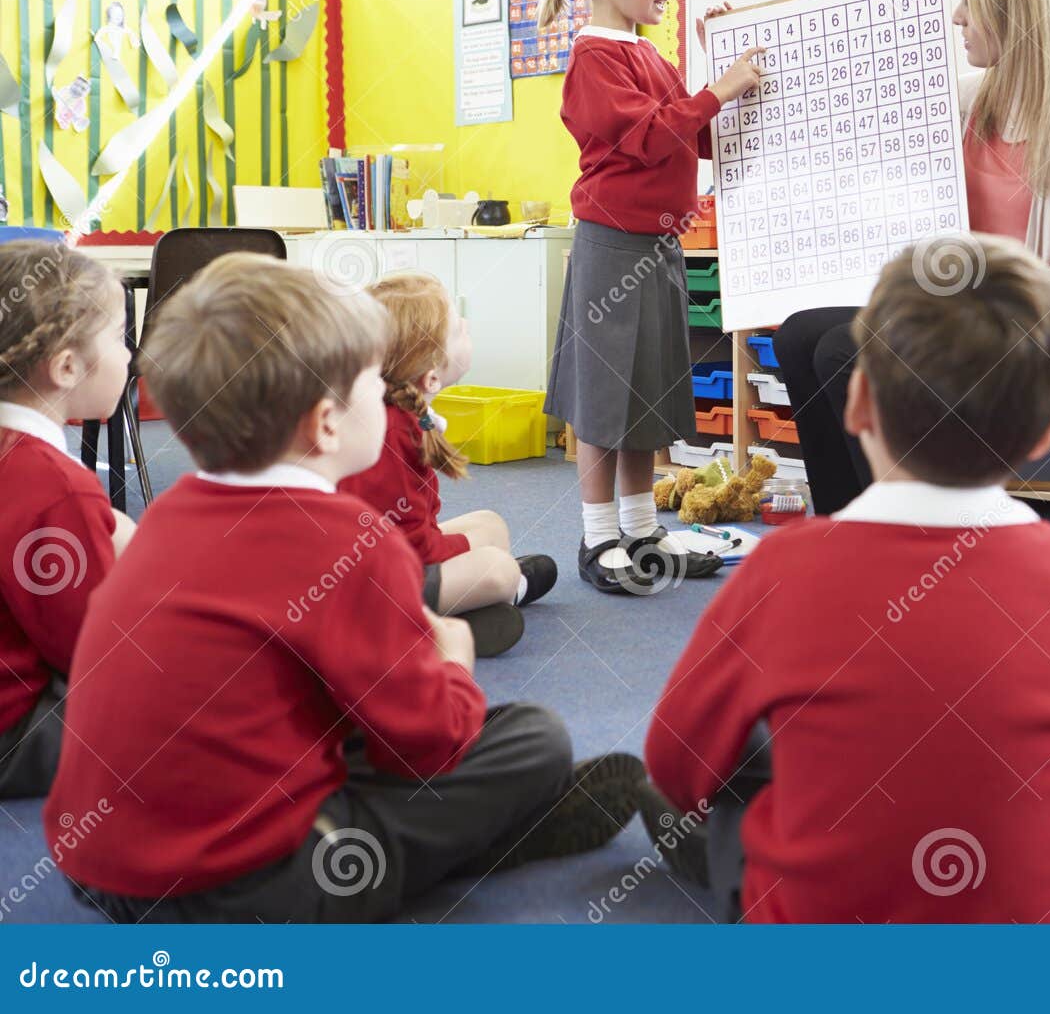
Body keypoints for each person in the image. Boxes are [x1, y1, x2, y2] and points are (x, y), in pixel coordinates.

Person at [46, 255, 643, 922]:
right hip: (241, 891)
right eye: (373, 382)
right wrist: (450, 659)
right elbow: (432, 739)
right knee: (535, 738)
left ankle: (470, 826)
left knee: (346, 732)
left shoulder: (167, 519)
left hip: (95, 865)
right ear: (328, 422)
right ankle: (491, 833)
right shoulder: (349, 542)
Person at [644, 236, 1050, 922]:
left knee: (740, 762)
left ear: (858, 400)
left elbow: (676, 762)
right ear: (1045, 429)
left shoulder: (784, 567)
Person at [776, 0, 1050, 513]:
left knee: (847, 351)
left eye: (971, 2)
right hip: (964, 328)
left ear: (1014, 9)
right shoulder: (968, 100)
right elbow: (835, 100)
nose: (956, 17)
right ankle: (847, 532)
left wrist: (993, 304)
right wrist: (739, 51)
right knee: (799, 334)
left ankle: (902, 534)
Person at [541, 0, 762, 593]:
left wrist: (714, 62)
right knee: (607, 398)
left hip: (659, 244)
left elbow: (692, 135)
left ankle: (641, 527)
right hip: (613, 245)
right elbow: (647, 135)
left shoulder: (647, 54)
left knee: (649, 394)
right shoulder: (593, 58)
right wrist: (715, 89)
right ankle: (597, 535)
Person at [340, 273, 555, 656]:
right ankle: (426, 622)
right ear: (432, 377)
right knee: (498, 569)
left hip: (389, 560)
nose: (467, 325)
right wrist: (463, 550)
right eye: (457, 330)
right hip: (373, 583)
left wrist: (463, 545)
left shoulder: (404, 411)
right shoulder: (390, 432)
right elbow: (414, 548)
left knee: (491, 524)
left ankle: (461, 609)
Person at [0, 243, 134, 799]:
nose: (130, 356)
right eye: (120, 337)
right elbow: (95, 654)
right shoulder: (56, 485)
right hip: (16, 734)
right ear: (67, 367)